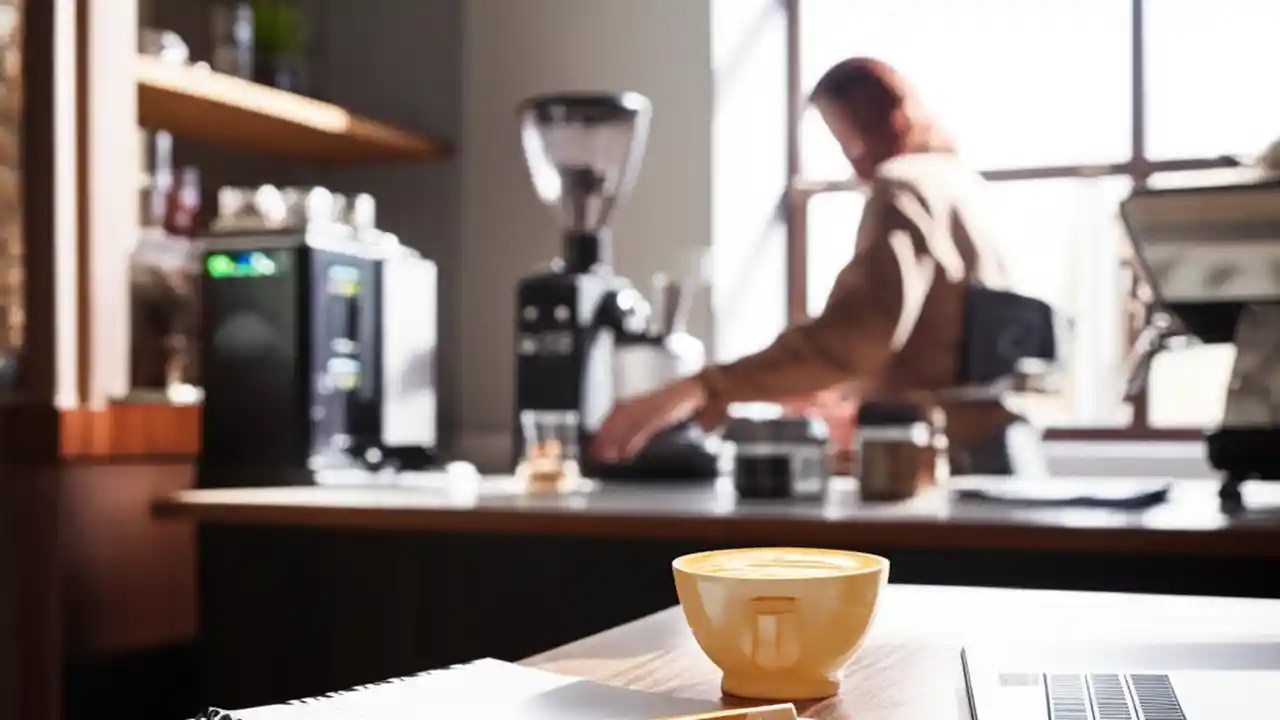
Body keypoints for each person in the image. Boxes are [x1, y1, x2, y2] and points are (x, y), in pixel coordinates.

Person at [593, 57, 1011, 464]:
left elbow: (856, 333)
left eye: (854, 140)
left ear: (895, 119)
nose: (854, 162)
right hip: (995, 441)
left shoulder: (901, 187)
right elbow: (939, 337)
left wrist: (703, 387)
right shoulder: (960, 185)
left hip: (939, 455)